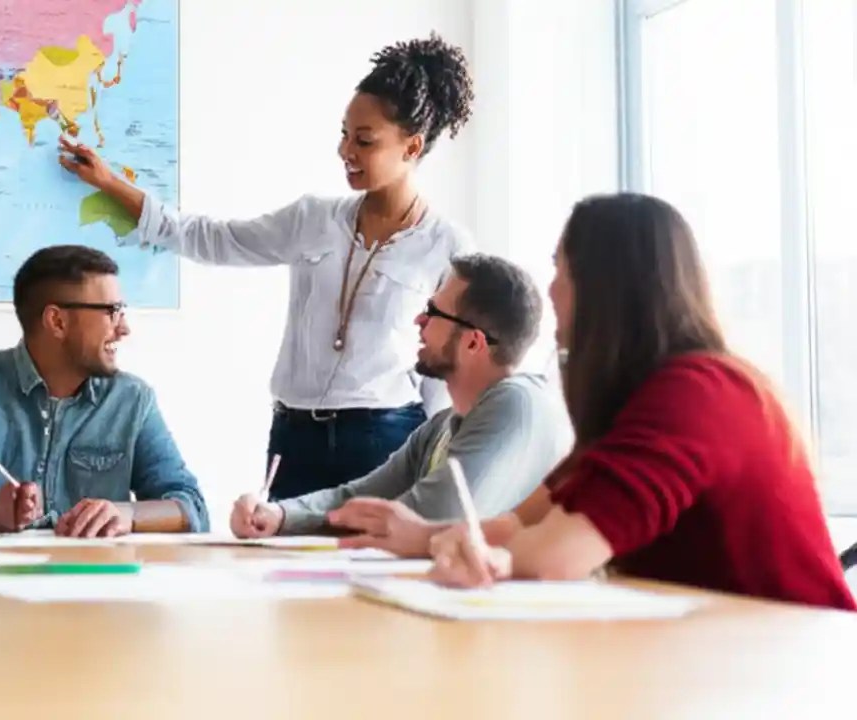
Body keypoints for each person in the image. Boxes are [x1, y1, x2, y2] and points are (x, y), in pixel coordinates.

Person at [59, 34, 475, 500]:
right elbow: (214, 239)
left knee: (372, 571)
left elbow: (445, 371)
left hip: (386, 439)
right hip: (294, 439)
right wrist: (111, 184)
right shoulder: (312, 219)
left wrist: (439, 474)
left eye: (364, 140)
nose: (345, 151)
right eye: (343, 134)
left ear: (412, 147)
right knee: (281, 569)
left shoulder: (449, 246)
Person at [426, 193, 856, 611]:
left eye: (560, 268)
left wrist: (483, 558)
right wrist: (422, 537)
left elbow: (551, 558)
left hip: (795, 661)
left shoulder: (695, 394)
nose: (551, 289)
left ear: (603, 285)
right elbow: (520, 524)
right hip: (726, 657)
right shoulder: (652, 396)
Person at [229, 254, 570, 556]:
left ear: (472, 342)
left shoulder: (520, 403)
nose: (418, 322)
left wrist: (338, 521)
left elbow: (434, 515)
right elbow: (359, 495)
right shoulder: (441, 426)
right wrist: (278, 515)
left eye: (433, 312)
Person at [0, 245, 209, 537]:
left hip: (99, 586)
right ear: (56, 321)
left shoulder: (132, 399)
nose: (123, 328)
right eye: (111, 312)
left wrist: (128, 514)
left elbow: (191, 507)